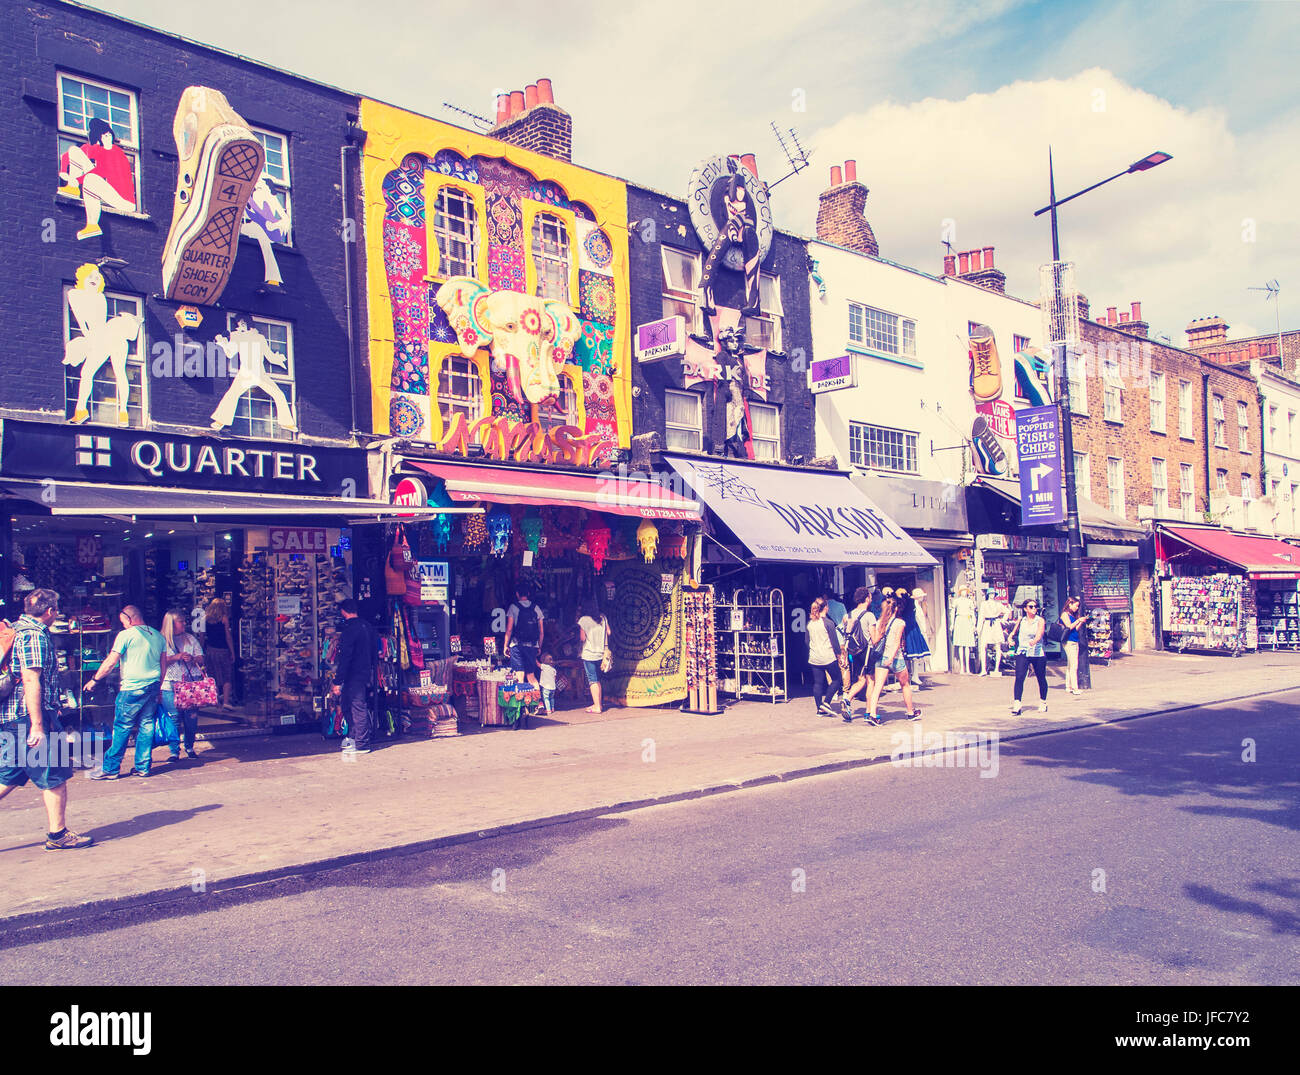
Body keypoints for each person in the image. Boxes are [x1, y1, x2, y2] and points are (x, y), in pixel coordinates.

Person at [0, 590, 93, 849]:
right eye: (57, 610)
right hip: (29, 719)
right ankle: (58, 835)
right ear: (50, 611)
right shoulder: (34, 635)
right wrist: (38, 725)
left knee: (8, 775)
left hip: (14, 717)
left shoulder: (16, 629)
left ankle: (58, 833)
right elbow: (31, 679)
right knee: (55, 775)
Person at [89, 605, 165, 779]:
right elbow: (162, 665)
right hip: (152, 686)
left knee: (122, 727)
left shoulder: (125, 635)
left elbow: (110, 662)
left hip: (132, 688)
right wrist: (158, 687)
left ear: (130, 618)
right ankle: (143, 767)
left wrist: (95, 680)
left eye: (123, 621)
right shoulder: (158, 636)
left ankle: (110, 768)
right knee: (146, 726)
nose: (122, 624)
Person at [864, 594, 921, 725]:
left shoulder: (879, 622)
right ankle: (911, 712)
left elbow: (875, 641)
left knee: (878, 686)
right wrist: (891, 657)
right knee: (905, 684)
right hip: (896, 658)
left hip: (881, 657)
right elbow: (897, 643)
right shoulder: (900, 623)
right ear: (896, 609)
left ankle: (872, 714)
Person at [158, 609, 204, 763]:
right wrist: (176, 657)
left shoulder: (190, 639)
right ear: (172, 623)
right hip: (169, 683)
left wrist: (193, 658)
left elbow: (201, 658)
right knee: (174, 718)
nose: (184, 623)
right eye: (181, 621)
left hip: (189, 684)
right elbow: (159, 661)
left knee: (191, 718)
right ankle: (174, 750)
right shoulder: (161, 640)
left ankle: (189, 747)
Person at [333, 600, 375, 755]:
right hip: (364, 672)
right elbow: (374, 651)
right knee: (348, 706)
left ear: (343, 612)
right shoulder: (367, 626)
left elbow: (345, 657)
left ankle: (362, 743)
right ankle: (354, 738)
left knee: (356, 707)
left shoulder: (349, 630)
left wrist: (338, 681)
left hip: (353, 674)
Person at [839, 586, 878, 721]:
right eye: (870, 597)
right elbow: (874, 638)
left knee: (860, 680)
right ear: (867, 598)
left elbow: (844, 636)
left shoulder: (847, 616)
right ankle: (867, 711)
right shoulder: (869, 615)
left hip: (854, 652)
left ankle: (848, 699)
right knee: (870, 681)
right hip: (867, 652)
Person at [806, 597, 843, 717]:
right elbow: (834, 642)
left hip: (814, 657)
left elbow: (807, 641)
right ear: (826, 608)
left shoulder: (810, 623)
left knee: (818, 683)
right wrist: (839, 655)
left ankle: (819, 709)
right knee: (837, 680)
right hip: (828, 656)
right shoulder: (828, 623)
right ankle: (826, 702)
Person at [1010, 599, 1049, 714]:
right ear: (1025, 609)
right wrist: (1009, 639)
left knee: (1041, 678)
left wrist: (1035, 640)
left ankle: (1043, 702)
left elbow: (1040, 633)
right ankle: (1017, 703)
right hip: (1023, 651)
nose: (1034, 609)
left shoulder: (1040, 620)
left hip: (1037, 652)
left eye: (1036, 607)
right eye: (1031, 607)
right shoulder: (1021, 620)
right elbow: (1013, 632)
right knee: (1019, 677)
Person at [504, 583, 545, 690]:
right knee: (531, 676)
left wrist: (505, 646)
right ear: (528, 593)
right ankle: (537, 703)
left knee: (520, 677)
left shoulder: (513, 607)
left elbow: (509, 629)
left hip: (517, 646)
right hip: (532, 646)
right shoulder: (536, 608)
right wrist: (539, 647)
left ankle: (521, 704)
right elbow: (541, 631)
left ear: (517, 594)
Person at [577, 599, 609, 714]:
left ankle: (597, 706)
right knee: (597, 680)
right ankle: (598, 704)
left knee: (592, 680)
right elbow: (609, 632)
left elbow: (582, 638)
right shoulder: (603, 617)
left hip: (589, 654)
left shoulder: (583, 620)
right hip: (600, 654)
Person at [203, 598, 236, 710]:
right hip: (222, 651)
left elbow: (202, 636)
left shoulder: (205, 619)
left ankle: (216, 701)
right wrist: (232, 652)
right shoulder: (224, 619)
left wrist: (202, 650)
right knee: (227, 676)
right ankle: (226, 701)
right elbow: (227, 637)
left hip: (210, 650)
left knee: (213, 676)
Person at [1059, 597, 1089, 696]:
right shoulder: (1064, 614)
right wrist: (1078, 620)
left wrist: (1080, 621)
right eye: (1075, 605)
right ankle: (1075, 688)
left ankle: (1069, 686)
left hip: (1074, 640)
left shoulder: (1072, 615)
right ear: (1070, 604)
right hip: (1069, 641)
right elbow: (1069, 626)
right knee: (1074, 665)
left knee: (1070, 664)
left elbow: (1075, 628)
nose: (1077, 608)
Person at [904, 588, 933, 689]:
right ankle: (913, 676)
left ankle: (915, 675)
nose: (922, 597)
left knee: (915, 656)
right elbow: (918, 620)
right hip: (915, 630)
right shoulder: (914, 606)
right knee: (913, 655)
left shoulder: (917, 606)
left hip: (917, 630)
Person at [978, 589, 1009, 675]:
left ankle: (996, 669)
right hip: (987, 624)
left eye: (993, 593)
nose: (992, 595)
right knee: (983, 645)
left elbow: (1007, 611)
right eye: (990, 593)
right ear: (988, 594)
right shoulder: (984, 604)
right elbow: (981, 616)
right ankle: (983, 669)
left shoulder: (998, 604)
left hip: (996, 624)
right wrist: (978, 628)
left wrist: (1003, 620)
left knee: (998, 646)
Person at [950, 584, 977, 674]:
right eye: (962, 591)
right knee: (960, 644)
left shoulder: (970, 602)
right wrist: (952, 624)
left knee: (967, 645)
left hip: (967, 620)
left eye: (965, 591)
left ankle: (968, 668)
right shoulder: (956, 601)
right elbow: (953, 613)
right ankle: (962, 668)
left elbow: (973, 613)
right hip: (959, 620)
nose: (964, 592)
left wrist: (974, 624)